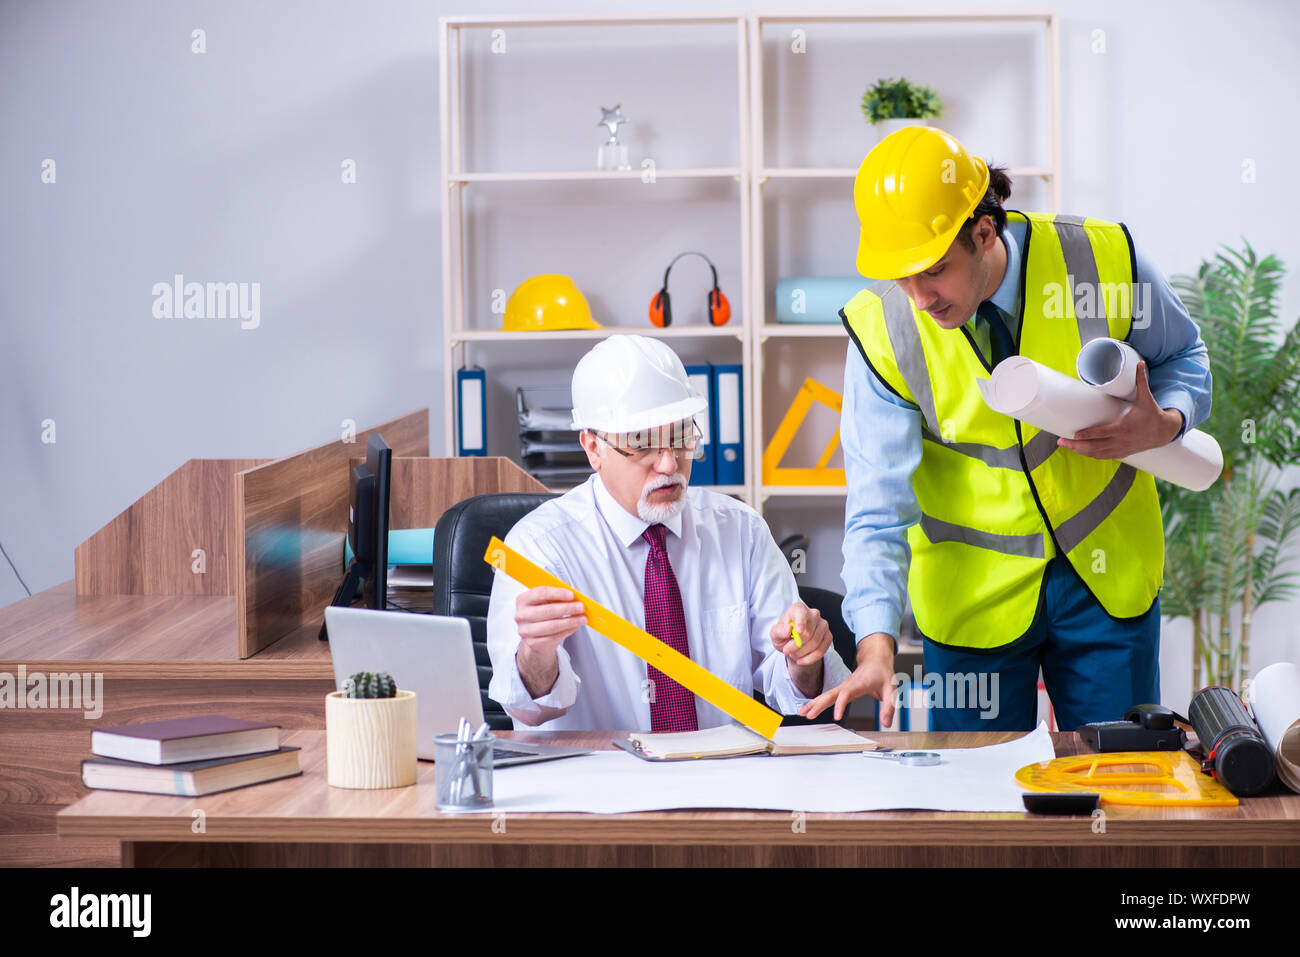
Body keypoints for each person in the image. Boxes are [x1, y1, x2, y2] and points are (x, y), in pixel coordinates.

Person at [802, 126, 1212, 732]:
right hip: (970, 603)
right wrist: (876, 644)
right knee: (977, 807)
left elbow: (1185, 354)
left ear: (984, 232)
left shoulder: (1099, 259)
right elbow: (876, 509)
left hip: (1107, 582)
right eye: (901, 276)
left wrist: (1168, 420)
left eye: (933, 270)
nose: (918, 297)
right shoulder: (882, 331)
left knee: (1121, 792)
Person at [487, 334, 851, 731]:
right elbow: (528, 711)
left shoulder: (740, 530)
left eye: (680, 437)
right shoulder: (540, 547)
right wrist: (536, 652)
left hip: (721, 777)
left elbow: (798, 694)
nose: (668, 464)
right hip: (599, 781)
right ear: (593, 448)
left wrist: (804, 659)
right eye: (642, 443)